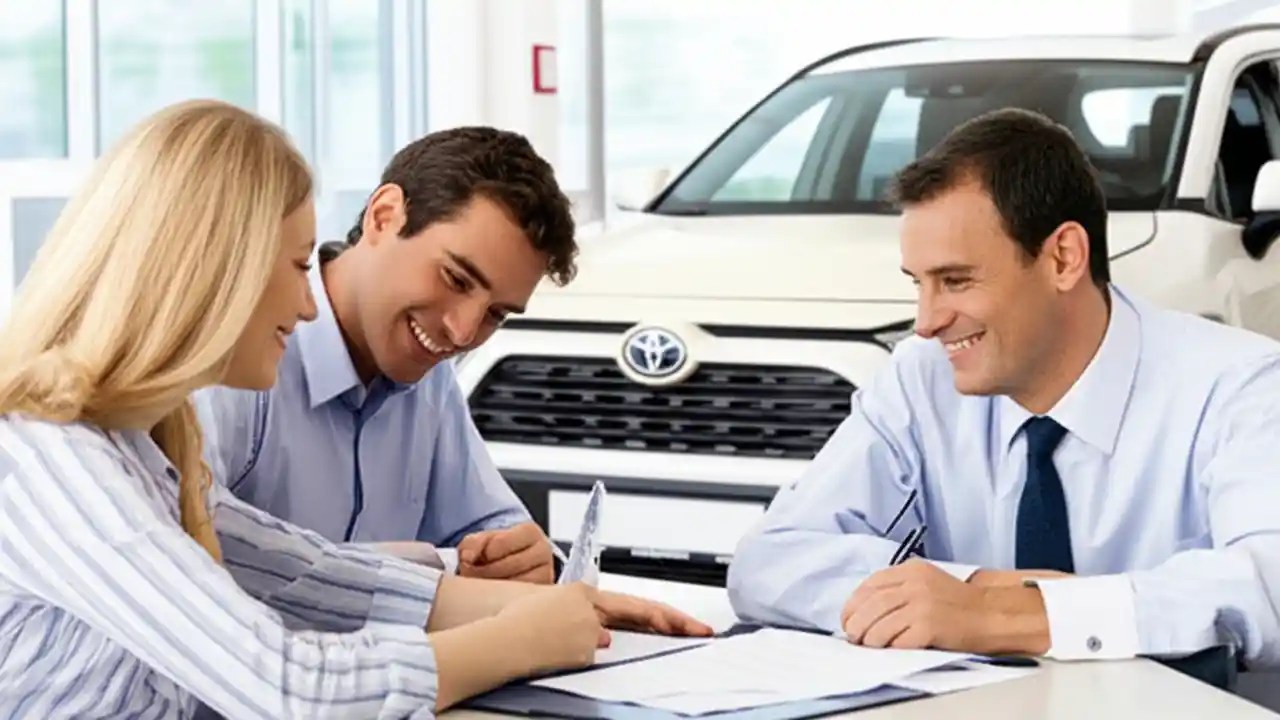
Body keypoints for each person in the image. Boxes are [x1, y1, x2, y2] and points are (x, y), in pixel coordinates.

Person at [0, 99, 711, 718]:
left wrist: (544, 605)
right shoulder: (48, 458)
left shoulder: (144, 447)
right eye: (299, 266)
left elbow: (306, 573)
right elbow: (292, 690)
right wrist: (514, 639)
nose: (307, 302)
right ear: (213, 269)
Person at [726, 108, 1280, 669]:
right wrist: (977, 588)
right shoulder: (922, 377)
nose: (926, 321)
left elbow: (1269, 586)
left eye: (956, 281)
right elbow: (768, 562)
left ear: (1063, 258)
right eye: (919, 284)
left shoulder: (1244, 389)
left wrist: (1011, 615)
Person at [195, 127, 577, 584]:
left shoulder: (427, 373)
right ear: (383, 216)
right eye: (455, 279)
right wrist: (420, 573)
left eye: (496, 314)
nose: (462, 332)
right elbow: (198, 557)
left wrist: (530, 561)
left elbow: (488, 527)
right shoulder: (237, 350)